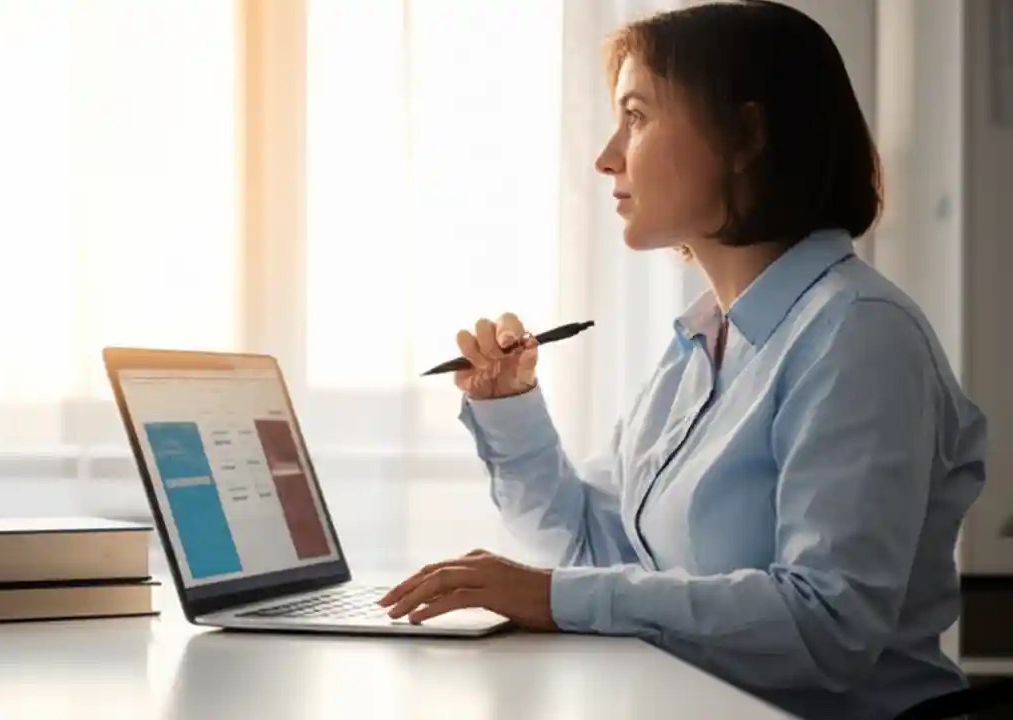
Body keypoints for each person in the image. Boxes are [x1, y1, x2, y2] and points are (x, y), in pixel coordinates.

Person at [376, 2, 987, 718]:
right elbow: (590, 547)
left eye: (635, 116)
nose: (606, 156)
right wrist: (507, 410)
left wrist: (549, 596)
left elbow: (828, 624)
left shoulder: (858, 336)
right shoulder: (702, 344)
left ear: (745, 134)